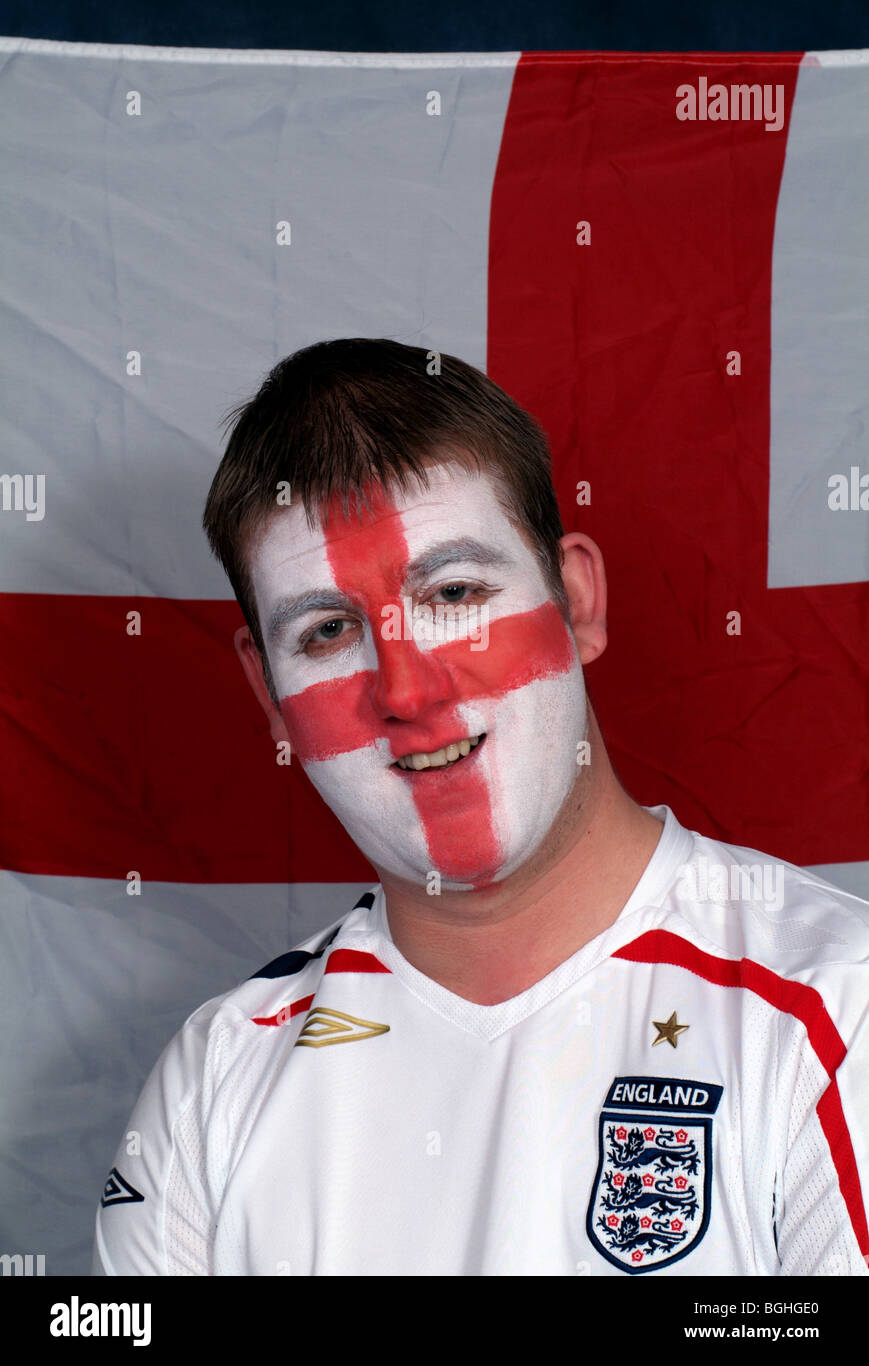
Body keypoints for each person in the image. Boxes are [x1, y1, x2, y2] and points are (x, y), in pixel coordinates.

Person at [91, 337, 869, 1275]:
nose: (409, 692)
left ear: (575, 601)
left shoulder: (836, 1015)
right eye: (328, 631)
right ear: (269, 697)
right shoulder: (213, 1083)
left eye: (454, 593)